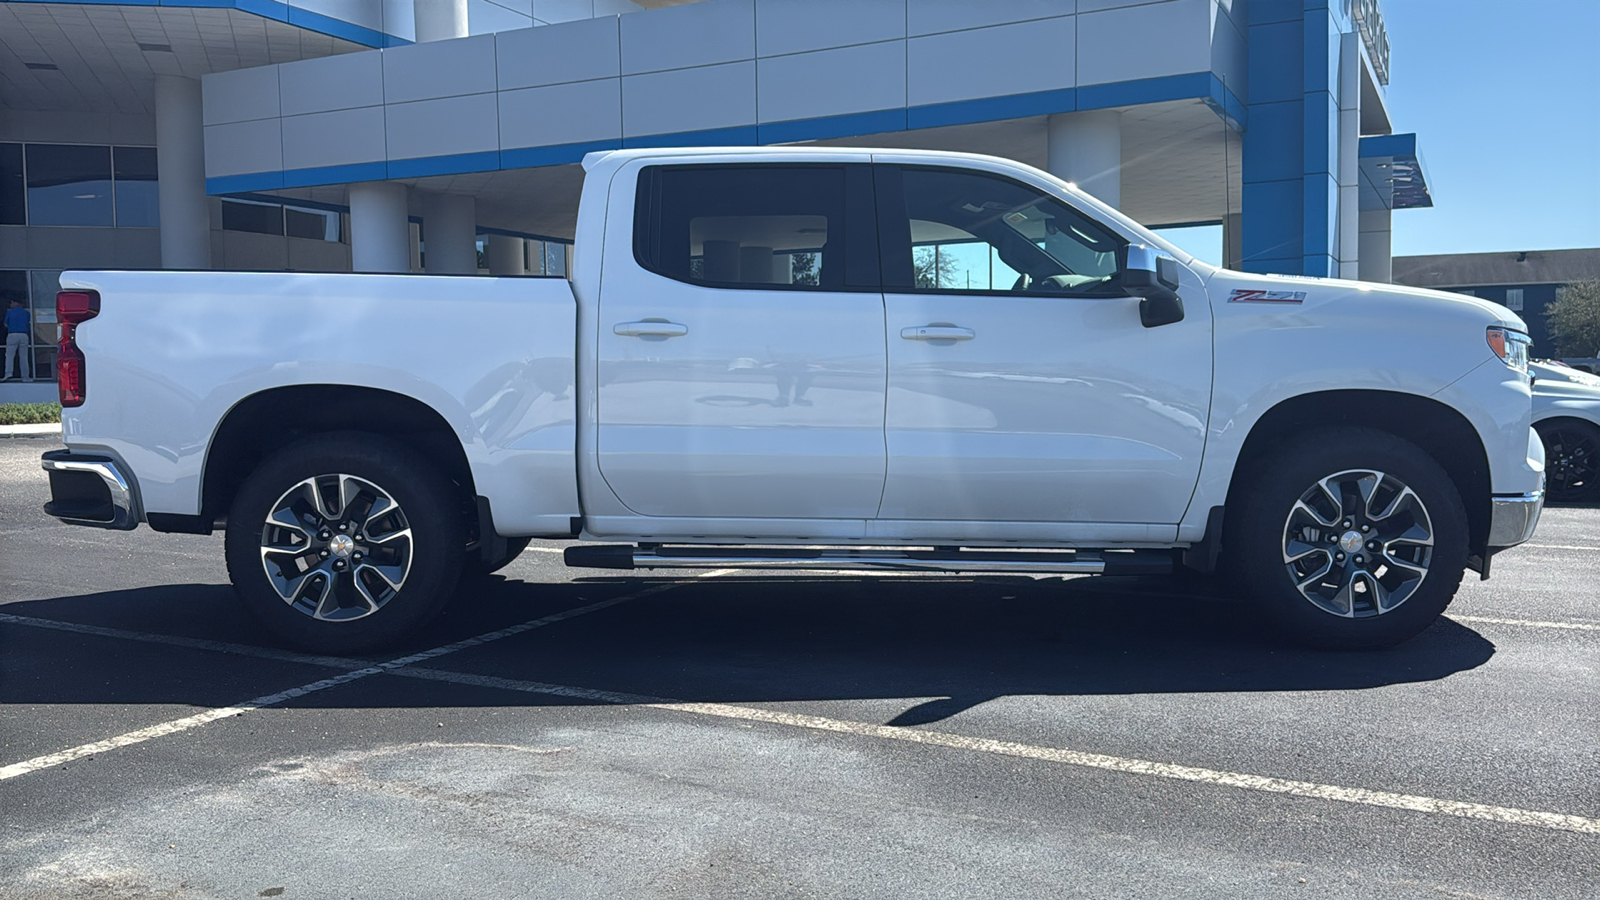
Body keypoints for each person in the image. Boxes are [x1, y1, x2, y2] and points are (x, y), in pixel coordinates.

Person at [3, 299, 30, 381]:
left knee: (9, 356)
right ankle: (25, 376)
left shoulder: (10, 312)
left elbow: (5, 324)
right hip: (24, 335)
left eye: (11, 302)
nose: (10, 304)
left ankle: (8, 373)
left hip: (12, 334)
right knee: (24, 357)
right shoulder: (26, 313)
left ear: (15, 303)